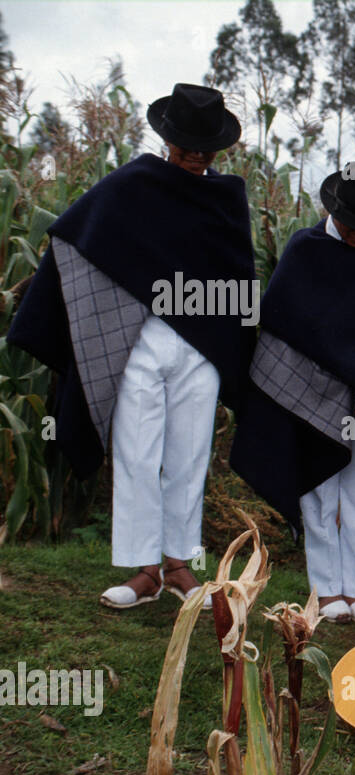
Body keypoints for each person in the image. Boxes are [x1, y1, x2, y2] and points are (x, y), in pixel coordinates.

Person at [6, 83, 254, 610]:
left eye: (204, 147)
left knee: (188, 457)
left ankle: (180, 566)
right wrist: (42, 293)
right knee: (136, 453)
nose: (194, 154)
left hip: (202, 348)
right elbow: (75, 235)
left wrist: (232, 343)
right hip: (138, 342)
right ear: (167, 140)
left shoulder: (226, 197)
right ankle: (144, 573)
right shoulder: (133, 183)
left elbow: (237, 276)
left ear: (217, 149)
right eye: (185, 144)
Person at [230, 161, 355, 624]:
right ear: (334, 211)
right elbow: (286, 328)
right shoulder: (305, 250)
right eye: (353, 226)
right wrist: (316, 385)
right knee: (319, 493)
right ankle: (326, 591)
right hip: (310, 396)